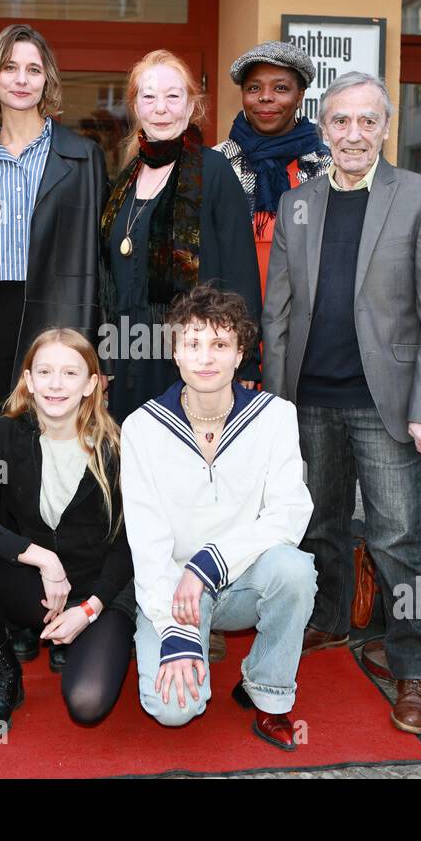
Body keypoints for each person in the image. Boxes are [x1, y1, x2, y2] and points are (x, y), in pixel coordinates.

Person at [261, 70, 421, 735]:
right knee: (319, 526)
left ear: (385, 127)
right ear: (323, 128)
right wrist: (271, 401)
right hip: (307, 397)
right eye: (340, 121)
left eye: (366, 121)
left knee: (400, 538)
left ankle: (414, 666)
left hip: (389, 403)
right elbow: (277, 310)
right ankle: (330, 620)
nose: (352, 134)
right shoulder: (298, 204)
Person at [122, 284, 314, 750]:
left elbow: (291, 512)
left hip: (244, 578)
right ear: (175, 353)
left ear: (239, 352)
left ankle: (268, 694)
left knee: (295, 570)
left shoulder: (276, 417)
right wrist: (174, 628)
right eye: (193, 344)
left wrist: (209, 563)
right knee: (174, 712)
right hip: (174, 589)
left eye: (220, 344)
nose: (206, 358)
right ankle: (180, 641)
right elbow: (146, 543)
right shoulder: (141, 428)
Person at [0, 328, 135, 737]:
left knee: (88, 704)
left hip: (96, 593)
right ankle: (4, 675)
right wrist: (43, 559)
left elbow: (128, 546)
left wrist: (89, 609)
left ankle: (85, 640)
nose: (55, 384)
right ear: (29, 380)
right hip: (36, 587)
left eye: (70, 373)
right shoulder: (7, 434)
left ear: (91, 384)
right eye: (44, 371)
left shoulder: (116, 446)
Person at [0, 24, 108, 440]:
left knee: (60, 438)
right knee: (2, 439)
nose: (22, 80)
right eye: (11, 68)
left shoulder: (83, 157)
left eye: (33, 69)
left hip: (62, 312)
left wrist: (102, 347)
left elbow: (101, 259)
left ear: (48, 80)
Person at [100, 49, 261, 423]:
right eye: (149, 96)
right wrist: (106, 355)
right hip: (128, 355)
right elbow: (110, 274)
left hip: (192, 358)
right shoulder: (125, 179)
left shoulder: (214, 172)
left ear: (191, 107)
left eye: (173, 97)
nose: (161, 108)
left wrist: (246, 361)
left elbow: (241, 272)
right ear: (136, 107)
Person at [214, 41, 332, 287]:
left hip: (304, 314)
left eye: (280, 88)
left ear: (299, 96)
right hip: (230, 311)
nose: (265, 97)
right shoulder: (217, 163)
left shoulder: (327, 167)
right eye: (254, 88)